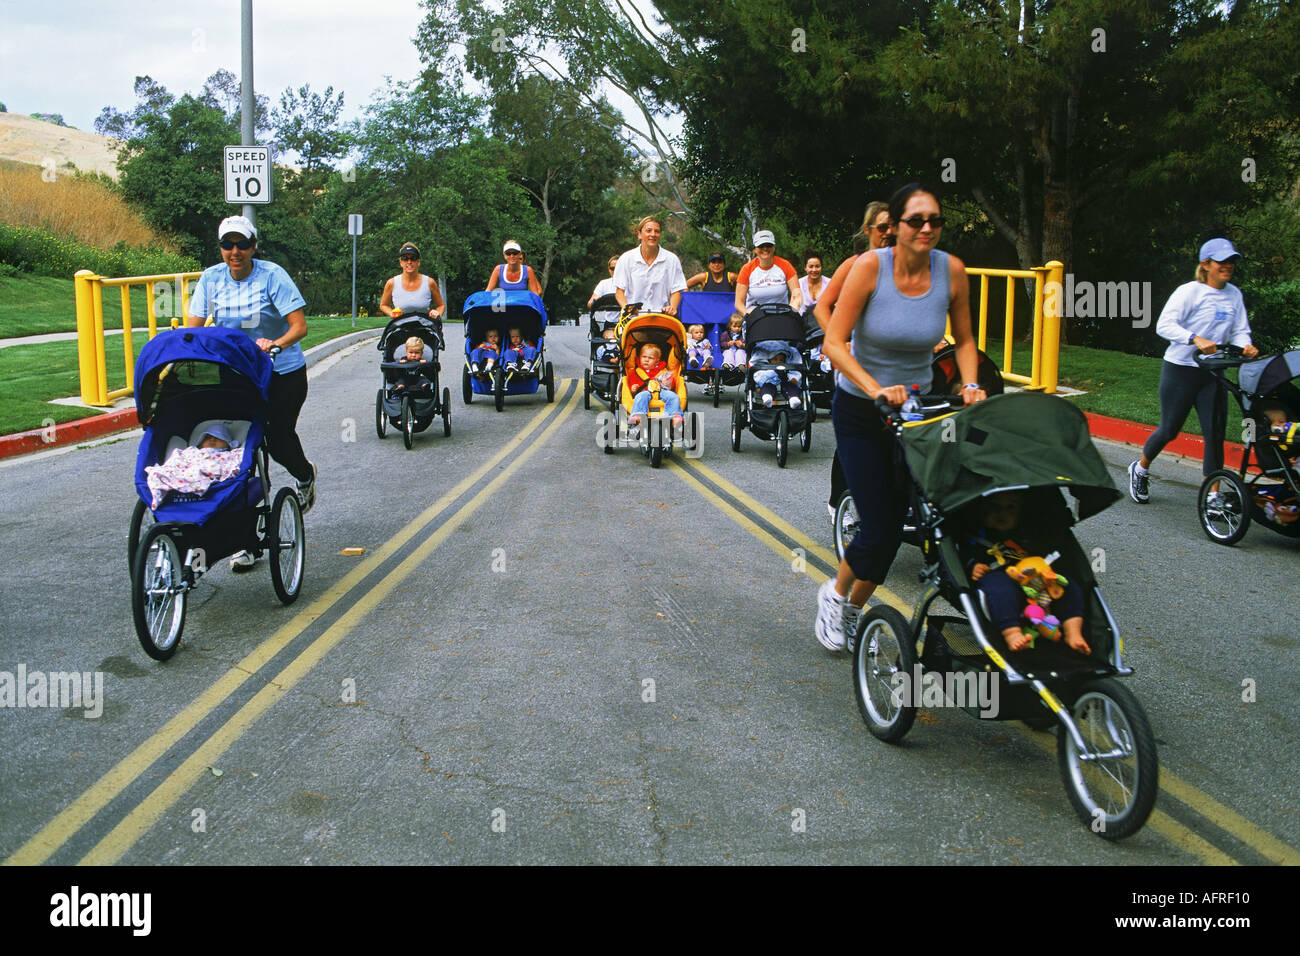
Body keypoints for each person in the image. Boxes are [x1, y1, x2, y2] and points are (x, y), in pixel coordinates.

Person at [815, 184, 987, 651]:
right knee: (879, 524)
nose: (927, 228)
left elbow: (966, 340)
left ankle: (854, 609)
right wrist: (874, 389)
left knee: (919, 521)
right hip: (861, 409)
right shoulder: (871, 267)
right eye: (916, 220)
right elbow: (833, 342)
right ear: (895, 225)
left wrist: (970, 383)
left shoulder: (951, 270)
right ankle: (833, 596)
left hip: (919, 411)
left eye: (935, 220)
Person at [186, 215, 317, 572]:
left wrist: (274, 343)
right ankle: (246, 539)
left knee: (275, 437)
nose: (234, 252)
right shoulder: (211, 278)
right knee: (233, 449)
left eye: (242, 244)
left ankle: (305, 475)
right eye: (227, 245)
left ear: (254, 246)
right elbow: (193, 328)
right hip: (237, 373)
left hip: (281, 371)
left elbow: (299, 325)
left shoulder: (272, 275)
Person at [1127, 238, 1259, 503]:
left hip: (1213, 372)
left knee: (1215, 433)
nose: (1228, 266)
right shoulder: (1189, 292)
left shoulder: (1234, 294)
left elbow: (1239, 330)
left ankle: (1212, 496)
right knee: (1169, 430)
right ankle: (1140, 468)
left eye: (1231, 261)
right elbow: (1164, 325)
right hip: (1181, 369)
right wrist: (1194, 338)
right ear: (1206, 264)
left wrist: (1246, 345)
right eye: (1222, 261)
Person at [814, 201, 891, 519]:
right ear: (868, 230)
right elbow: (822, 307)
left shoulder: (904, 266)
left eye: (893, 227)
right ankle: (838, 502)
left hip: (892, 364)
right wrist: (838, 341)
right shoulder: (854, 265)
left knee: (891, 434)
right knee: (855, 434)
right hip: (855, 362)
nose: (888, 233)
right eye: (882, 227)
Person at [961, 491, 1090, 654]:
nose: (1002, 513)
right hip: (1000, 578)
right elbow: (962, 553)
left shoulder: (1029, 530)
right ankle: (1013, 634)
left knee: (1069, 585)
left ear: (1020, 511)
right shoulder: (975, 534)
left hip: (1038, 583)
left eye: (1010, 508)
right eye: (994, 507)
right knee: (1000, 588)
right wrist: (973, 566)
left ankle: (1073, 633)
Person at [144, 423, 244, 510]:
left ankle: (190, 482)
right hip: (188, 469)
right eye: (208, 438)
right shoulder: (192, 451)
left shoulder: (228, 455)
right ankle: (159, 495)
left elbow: (237, 460)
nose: (212, 440)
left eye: (219, 438)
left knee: (203, 471)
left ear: (228, 444)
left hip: (208, 471)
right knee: (159, 473)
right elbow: (179, 458)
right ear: (201, 443)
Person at [613, 216, 688, 316]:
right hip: (634, 319)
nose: (653, 234)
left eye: (657, 231)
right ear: (639, 234)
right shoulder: (626, 259)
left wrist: (672, 307)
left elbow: (676, 290)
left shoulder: (672, 259)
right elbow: (619, 292)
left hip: (663, 317)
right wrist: (627, 307)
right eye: (649, 230)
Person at [734, 230, 803, 315]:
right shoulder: (747, 269)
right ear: (755, 249)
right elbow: (738, 303)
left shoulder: (785, 265)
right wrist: (748, 314)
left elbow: (797, 294)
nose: (765, 249)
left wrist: (792, 311)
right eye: (761, 246)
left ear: (774, 247)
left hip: (781, 315)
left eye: (768, 245)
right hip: (756, 316)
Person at [626, 341, 683, 432]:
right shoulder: (637, 371)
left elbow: (672, 384)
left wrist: (667, 383)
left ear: (657, 361)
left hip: (661, 391)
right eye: (644, 357)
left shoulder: (663, 371)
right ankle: (638, 415)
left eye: (650, 358)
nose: (646, 360)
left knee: (673, 397)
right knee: (641, 396)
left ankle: (674, 416)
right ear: (640, 357)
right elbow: (631, 382)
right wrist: (633, 387)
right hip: (644, 391)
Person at [380, 243, 446, 320]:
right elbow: (383, 305)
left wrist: (437, 313)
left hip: (424, 327)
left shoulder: (429, 282)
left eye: (413, 258)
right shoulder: (392, 283)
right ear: (401, 263)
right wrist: (391, 313)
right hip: (400, 327)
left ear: (418, 262)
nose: (409, 262)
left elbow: (441, 305)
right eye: (405, 259)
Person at [750, 342, 803, 409]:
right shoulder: (766, 369)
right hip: (770, 384)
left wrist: (793, 379)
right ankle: (767, 398)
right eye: (775, 359)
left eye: (781, 360)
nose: (778, 361)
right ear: (769, 361)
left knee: (791, 387)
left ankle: (793, 399)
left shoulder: (787, 369)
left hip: (785, 385)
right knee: (767, 387)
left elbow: (794, 375)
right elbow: (759, 377)